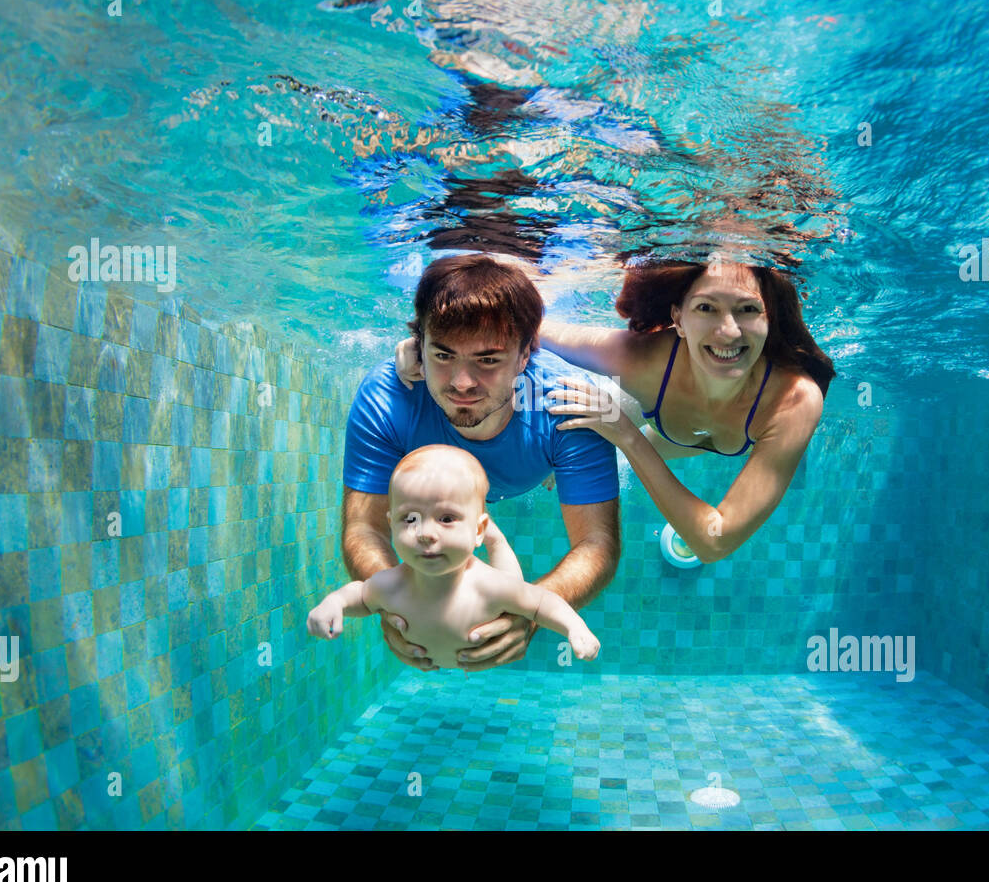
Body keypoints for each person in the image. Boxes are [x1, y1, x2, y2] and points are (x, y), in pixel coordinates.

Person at [396, 256, 831, 563]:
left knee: (619, 427)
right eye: (706, 308)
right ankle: (560, 457)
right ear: (677, 318)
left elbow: (713, 542)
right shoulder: (638, 358)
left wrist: (623, 435)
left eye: (748, 309)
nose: (729, 330)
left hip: (662, 438)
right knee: (586, 406)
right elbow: (521, 330)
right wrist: (427, 344)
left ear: (770, 318)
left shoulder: (793, 399)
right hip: (658, 426)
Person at [342, 253, 620, 672]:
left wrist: (526, 614)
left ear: (526, 355)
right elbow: (363, 527)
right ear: (419, 347)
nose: (462, 383)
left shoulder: (568, 404)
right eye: (443, 355)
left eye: (488, 360)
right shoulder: (387, 396)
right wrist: (394, 605)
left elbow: (597, 544)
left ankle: (552, 471)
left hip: (537, 463)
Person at [309, 445, 600, 668]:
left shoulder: (490, 587)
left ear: (476, 532)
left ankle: (493, 538)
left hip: (494, 587)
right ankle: (479, 530)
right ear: (390, 524)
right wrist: (333, 604)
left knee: (512, 582)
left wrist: (574, 627)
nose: (424, 533)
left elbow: (540, 603)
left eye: (446, 518)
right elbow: (359, 596)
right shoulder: (390, 584)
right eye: (409, 519)